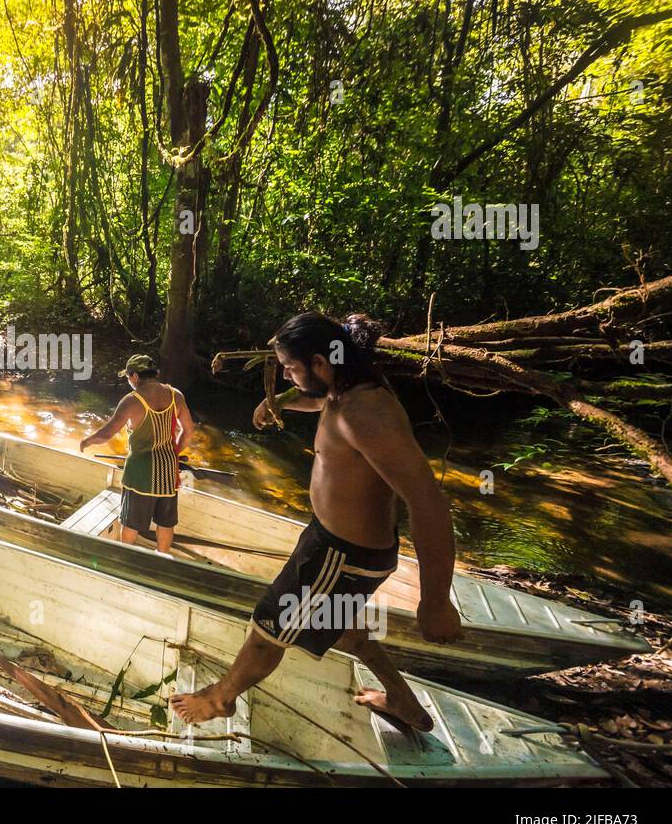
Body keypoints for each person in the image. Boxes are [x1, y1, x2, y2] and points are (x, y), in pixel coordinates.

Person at [170, 313, 462, 731]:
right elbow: (320, 400)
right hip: (334, 544)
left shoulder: (369, 414)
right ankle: (401, 699)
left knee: (270, 625)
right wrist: (282, 402)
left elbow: (428, 503)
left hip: (341, 555)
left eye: (291, 369)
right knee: (340, 626)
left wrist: (435, 600)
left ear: (321, 363)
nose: (287, 377)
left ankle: (220, 698)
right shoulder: (345, 390)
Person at [79, 354, 195, 554]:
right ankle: (161, 557)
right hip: (168, 471)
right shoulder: (175, 395)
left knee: (130, 522)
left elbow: (107, 433)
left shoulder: (132, 400)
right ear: (155, 373)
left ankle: (125, 557)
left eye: (128, 377)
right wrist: (174, 451)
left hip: (140, 474)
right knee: (165, 522)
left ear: (134, 376)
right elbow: (188, 431)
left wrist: (86, 441)